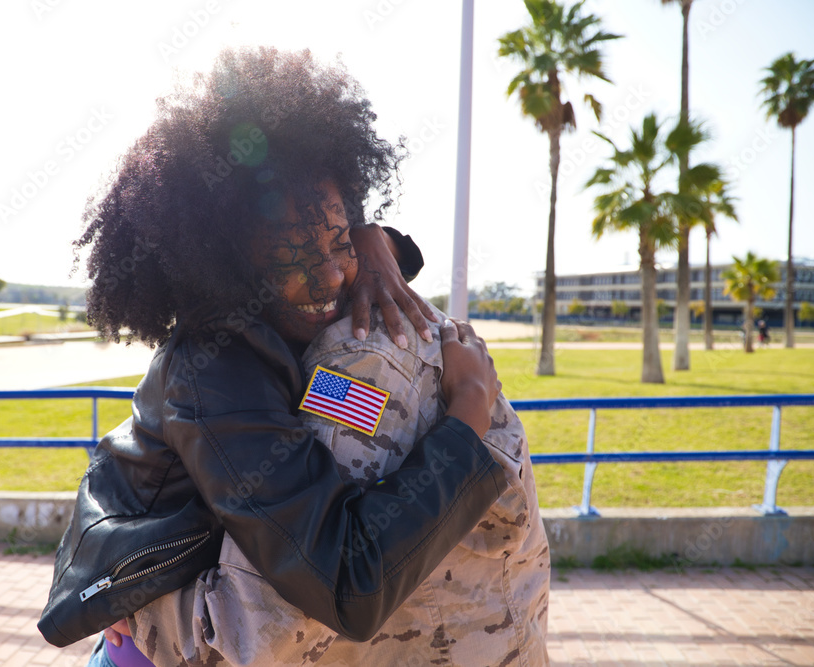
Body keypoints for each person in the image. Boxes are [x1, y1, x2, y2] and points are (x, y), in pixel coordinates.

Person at [68, 47, 511, 666]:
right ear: (219, 268)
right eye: (292, 259)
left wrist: (372, 240)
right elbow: (346, 583)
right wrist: (469, 416)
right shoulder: (215, 377)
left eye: (338, 242)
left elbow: (330, 250)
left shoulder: (296, 297)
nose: (331, 278)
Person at [110, 304, 550, 666]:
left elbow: (269, 625)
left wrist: (134, 607)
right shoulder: (237, 349)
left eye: (340, 234)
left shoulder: (356, 364)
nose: (331, 265)